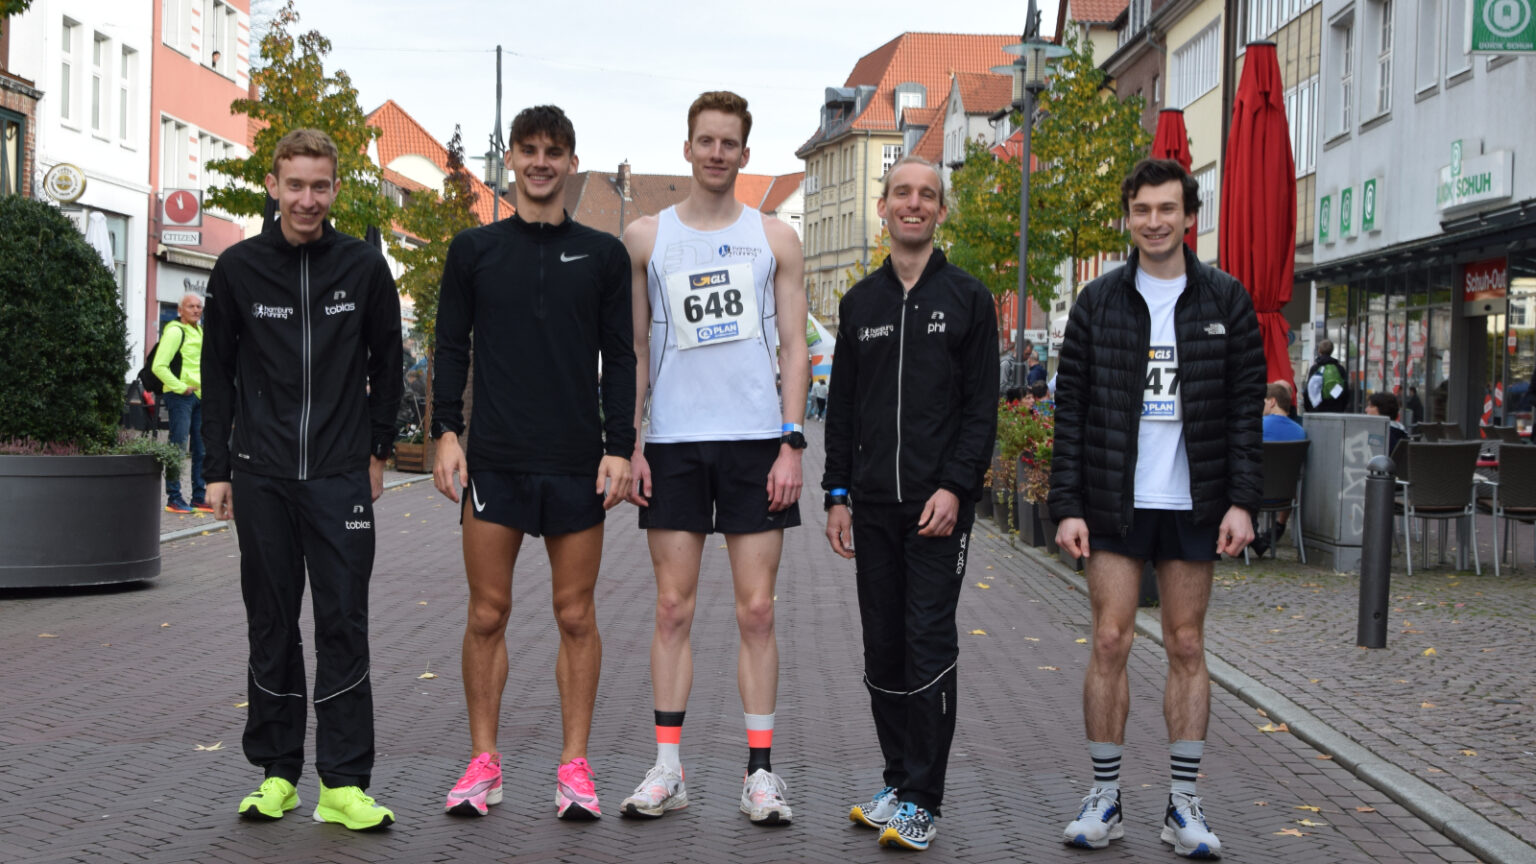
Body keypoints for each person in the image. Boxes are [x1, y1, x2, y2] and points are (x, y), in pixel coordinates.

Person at [1049, 158, 1263, 858]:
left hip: (1194, 501)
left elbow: (1242, 413)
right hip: (1115, 497)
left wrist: (1242, 501)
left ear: (1188, 214)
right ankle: (1105, 796)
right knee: (1111, 639)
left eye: (1166, 208)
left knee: (1187, 644)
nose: (1154, 221)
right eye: (1142, 209)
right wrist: (1067, 504)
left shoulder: (1225, 300)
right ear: (1129, 215)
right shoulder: (1097, 301)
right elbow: (1071, 412)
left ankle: (1183, 803)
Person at [431, 105, 635, 821]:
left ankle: (573, 768)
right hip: (495, 463)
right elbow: (450, 347)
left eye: (555, 151)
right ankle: (483, 763)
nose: (542, 162)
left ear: (572, 162)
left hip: (577, 464)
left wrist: (619, 447)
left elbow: (621, 357)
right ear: (511, 159)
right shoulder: (474, 251)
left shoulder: (604, 255)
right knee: (487, 612)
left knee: (575, 614)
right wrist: (445, 434)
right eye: (530, 150)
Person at [201, 128, 403, 830]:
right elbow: (216, 376)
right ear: (273, 185)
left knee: (344, 622)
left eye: (321, 186)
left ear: (336, 190)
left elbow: (389, 362)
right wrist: (217, 470)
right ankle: (277, 773)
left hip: (340, 477)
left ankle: (344, 784)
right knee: (271, 623)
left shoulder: (364, 267)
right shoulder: (238, 269)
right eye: (296, 185)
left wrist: (376, 451)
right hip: (261, 477)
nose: (308, 199)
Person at [619, 90, 808, 826]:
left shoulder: (775, 239)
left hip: (755, 442)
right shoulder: (645, 238)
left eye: (730, 142)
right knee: (672, 608)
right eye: (706, 140)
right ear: (688, 148)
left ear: (745, 154)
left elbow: (795, 348)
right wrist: (629, 442)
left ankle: (761, 773)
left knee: (757, 611)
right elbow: (633, 350)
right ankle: (668, 768)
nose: (717, 153)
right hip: (670, 442)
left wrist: (792, 439)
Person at [822, 155, 999, 852]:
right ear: (884, 206)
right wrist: (837, 493)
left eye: (927, 195)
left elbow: (981, 411)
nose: (914, 205)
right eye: (903, 193)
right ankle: (897, 781)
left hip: (937, 509)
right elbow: (840, 412)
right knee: (883, 646)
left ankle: (925, 798)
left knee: (927, 644)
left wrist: (956, 487)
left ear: (941, 210)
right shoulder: (860, 303)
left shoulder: (968, 299)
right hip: (870, 506)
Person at [153, 292, 210, 513]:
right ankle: (174, 497)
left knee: (201, 448)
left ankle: (198, 496)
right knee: (177, 446)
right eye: (191, 307)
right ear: (180, 310)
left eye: (199, 307)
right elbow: (159, 366)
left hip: (199, 396)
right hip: (180, 397)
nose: (196, 310)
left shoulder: (200, 331)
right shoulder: (175, 332)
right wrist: (180, 387)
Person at [1250, 382, 1306, 557]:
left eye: (1263, 401)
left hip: (1254, 495)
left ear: (1272, 402)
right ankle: (1277, 528)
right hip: (1286, 498)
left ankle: (1251, 536)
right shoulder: (1300, 432)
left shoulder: (1256, 426)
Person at [1305, 339, 1350, 413]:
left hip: (1318, 408)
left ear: (1319, 350)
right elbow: (1345, 390)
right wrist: (1342, 407)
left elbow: (1309, 389)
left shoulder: (1315, 368)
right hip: (1336, 408)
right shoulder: (1339, 368)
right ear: (1332, 351)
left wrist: (1309, 408)